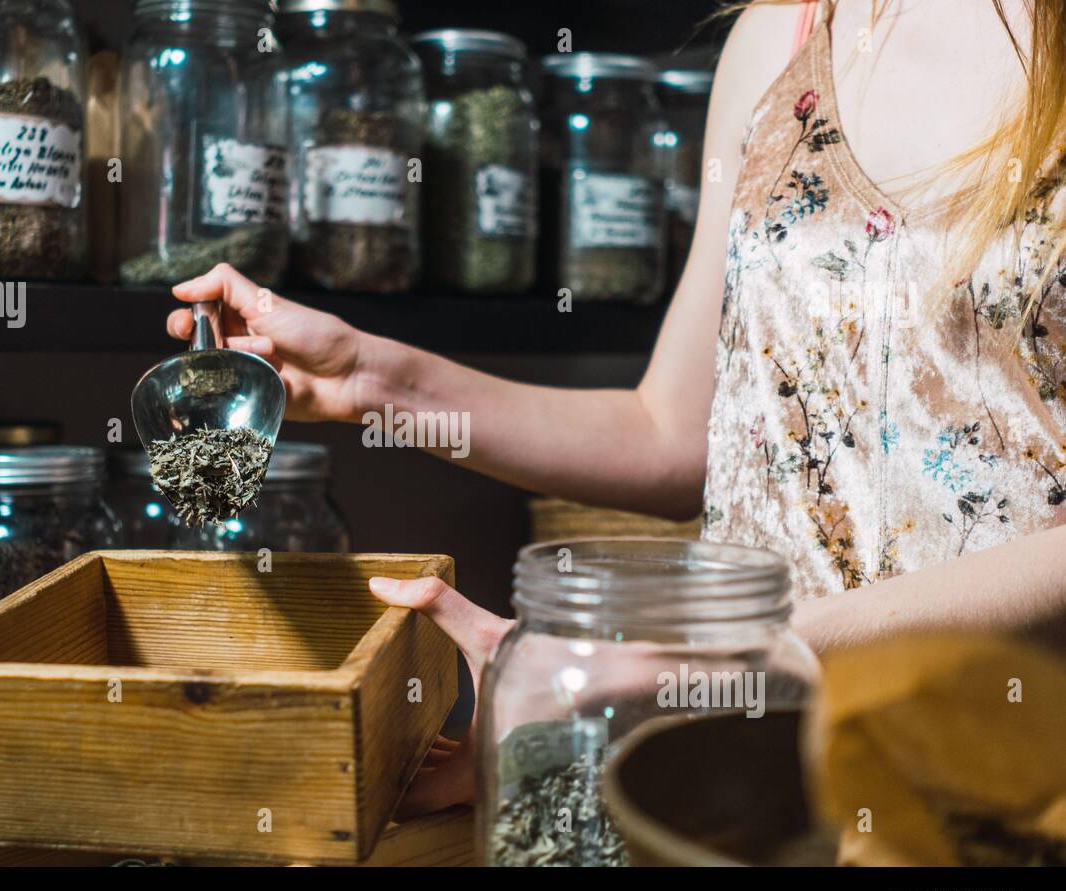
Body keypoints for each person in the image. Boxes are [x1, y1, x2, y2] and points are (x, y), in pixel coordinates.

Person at [165, 0, 1066, 813]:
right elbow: (674, 435)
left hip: (1017, 790)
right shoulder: (783, 39)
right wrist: (374, 382)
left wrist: (711, 664)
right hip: (755, 784)